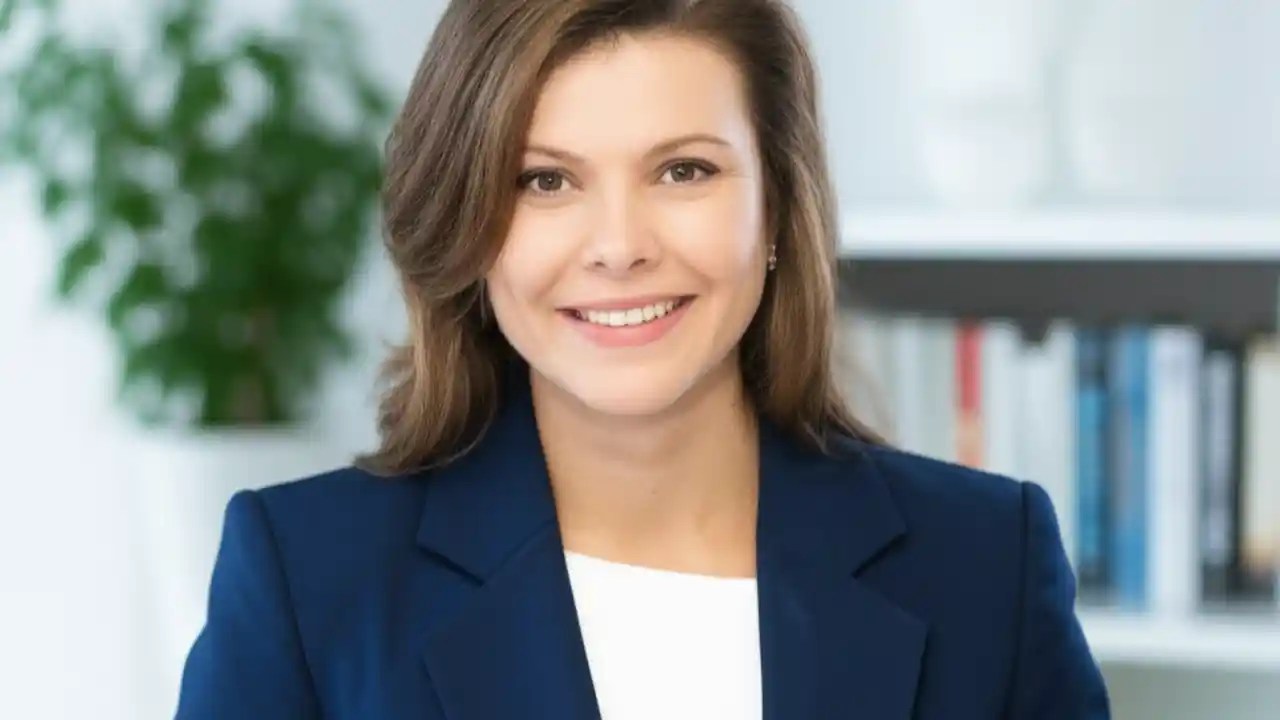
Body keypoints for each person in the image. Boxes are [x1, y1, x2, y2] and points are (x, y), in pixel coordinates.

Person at [175, 0, 1111, 718]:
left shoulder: (988, 564)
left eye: (683, 171)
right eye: (545, 181)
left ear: (777, 210)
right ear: (469, 229)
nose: (619, 247)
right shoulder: (307, 584)